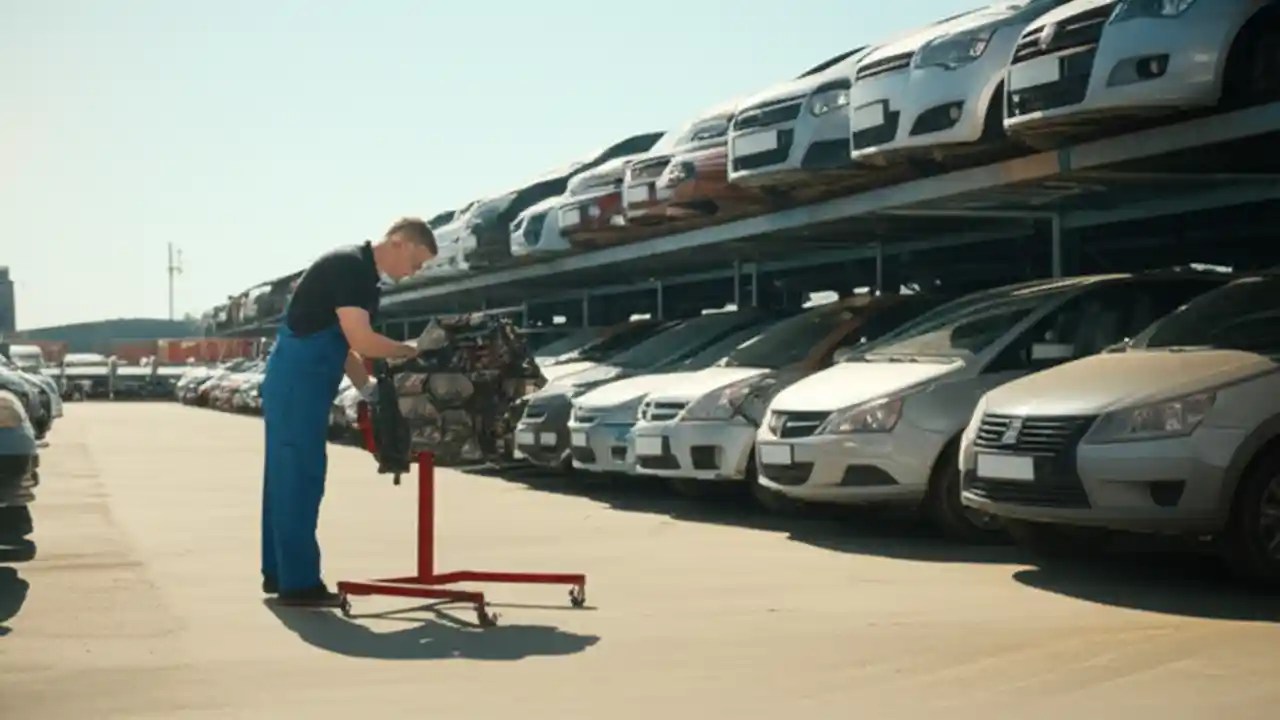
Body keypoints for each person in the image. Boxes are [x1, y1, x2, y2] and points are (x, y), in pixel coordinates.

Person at [260, 218, 436, 606]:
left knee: (286, 479)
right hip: (296, 382)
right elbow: (362, 340)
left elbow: (343, 346)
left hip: (301, 383)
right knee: (299, 479)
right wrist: (412, 350)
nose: (414, 273)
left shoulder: (364, 279)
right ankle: (299, 586)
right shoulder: (350, 268)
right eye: (417, 262)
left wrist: (366, 387)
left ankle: (280, 573)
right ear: (399, 243)